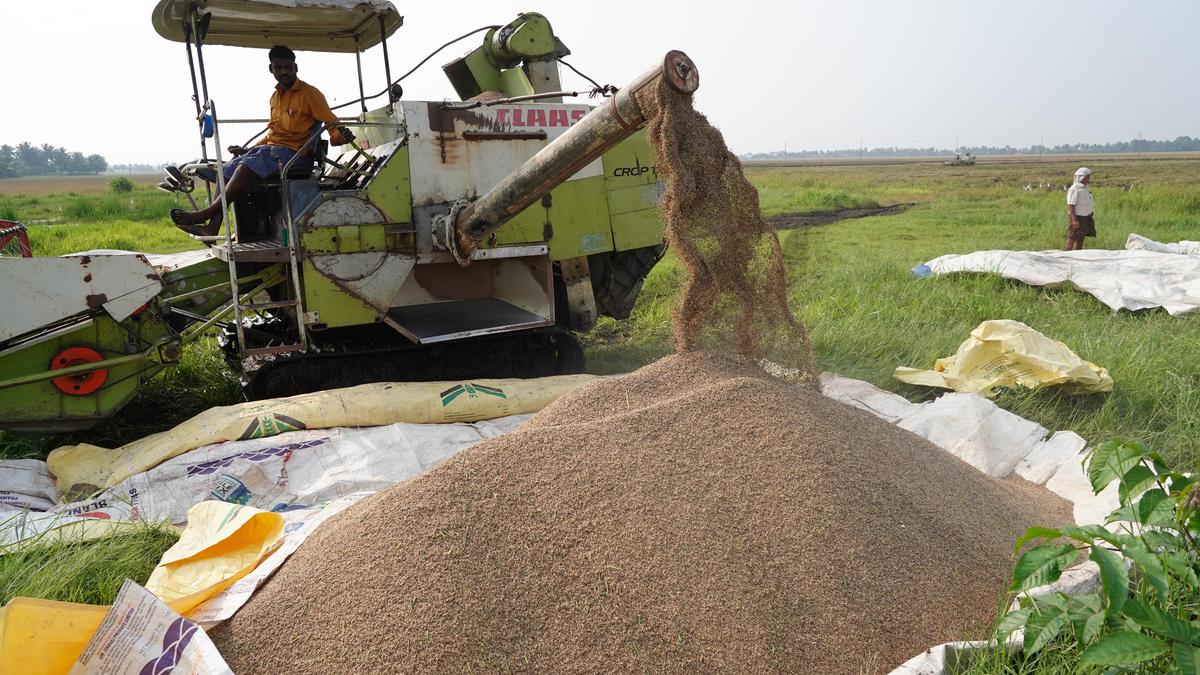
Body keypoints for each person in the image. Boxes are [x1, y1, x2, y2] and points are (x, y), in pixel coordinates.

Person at [170, 45, 355, 236]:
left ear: (296, 67)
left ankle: (205, 214)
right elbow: (272, 135)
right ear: (271, 69)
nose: (284, 72)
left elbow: (332, 124)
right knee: (224, 170)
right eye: (279, 67)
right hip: (274, 150)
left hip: (297, 155)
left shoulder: (310, 94)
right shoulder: (275, 97)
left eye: (288, 67)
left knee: (246, 168)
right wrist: (247, 149)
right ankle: (212, 228)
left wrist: (341, 136)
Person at [1065, 167, 1094, 250]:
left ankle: (1078, 255)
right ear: (1082, 177)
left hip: (1085, 217)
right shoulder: (1074, 189)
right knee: (1072, 238)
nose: (1089, 179)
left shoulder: (1085, 188)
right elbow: (1071, 204)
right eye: (1088, 177)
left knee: (1081, 238)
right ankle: (1066, 255)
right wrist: (1074, 220)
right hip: (1077, 217)